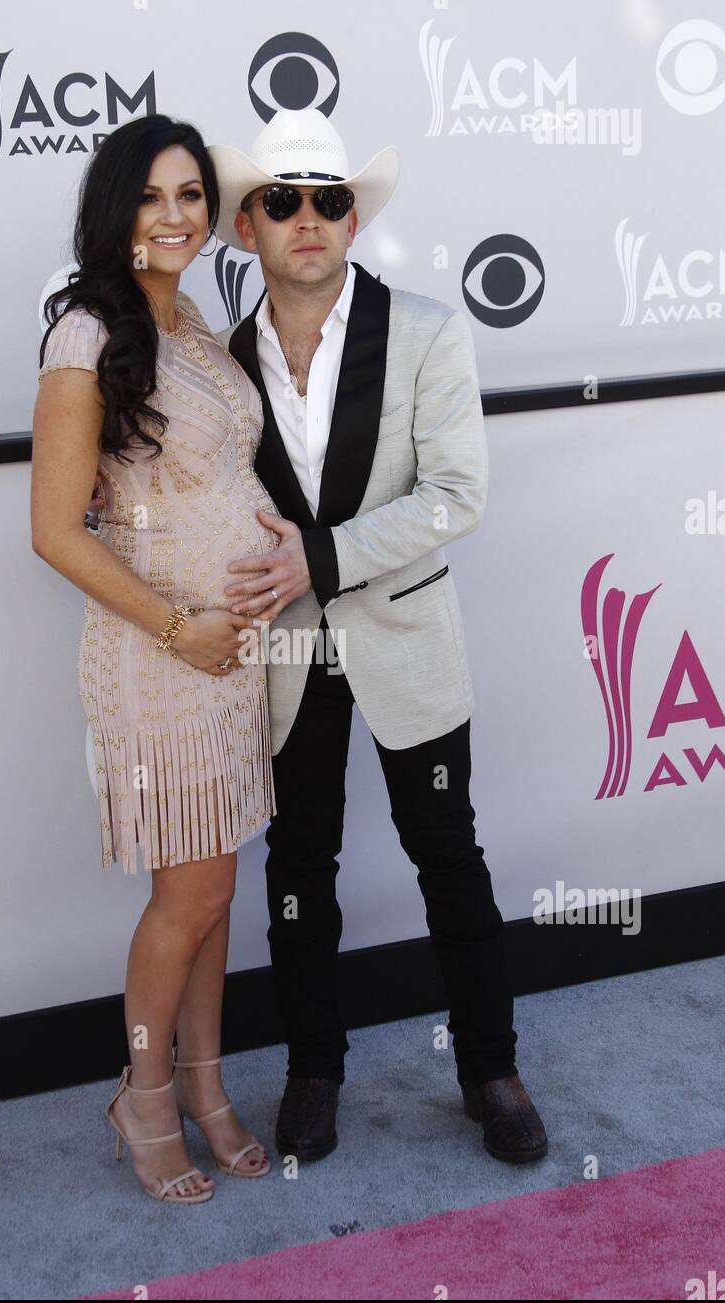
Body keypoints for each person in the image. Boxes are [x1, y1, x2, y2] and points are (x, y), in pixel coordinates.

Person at [208, 109, 548, 1165]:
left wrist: (322, 557)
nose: (306, 218)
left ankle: (490, 1069)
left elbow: (455, 495)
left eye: (327, 198)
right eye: (281, 199)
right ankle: (314, 1071)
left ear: (353, 218)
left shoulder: (429, 334)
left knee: (447, 854)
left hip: (403, 639)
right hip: (284, 658)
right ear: (247, 226)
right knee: (299, 862)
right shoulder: (219, 364)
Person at [30, 114, 281, 1204]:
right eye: (151, 196)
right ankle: (143, 1091)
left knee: (218, 888)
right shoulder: (85, 333)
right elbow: (53, 528)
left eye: (190, 196)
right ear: (114, 211)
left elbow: (225, 476)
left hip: (235, 655)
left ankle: (203, 1082)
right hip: (160, 653)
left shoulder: (196, 327)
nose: (173, 217)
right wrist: (181, 626)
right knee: (190, 893)